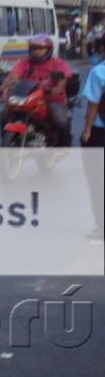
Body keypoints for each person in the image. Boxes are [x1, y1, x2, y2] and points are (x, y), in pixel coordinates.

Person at [0, 34, 72, 145]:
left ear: (48, 50)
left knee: (60, 120)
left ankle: (65, 144)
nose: (35, 51)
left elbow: (63, 79)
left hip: (50, 100)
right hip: (27, 99)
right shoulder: (24, 63)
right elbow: (13, 76)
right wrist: (3, 88)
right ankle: (7, 140)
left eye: (40, 48)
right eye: (33, 48)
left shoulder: (58, 64)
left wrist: (56, 88)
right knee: (4, 114)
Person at [79, 62, 105, 242]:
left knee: (97, 181)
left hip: (99, 132)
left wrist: (86, 131)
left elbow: (93, 104)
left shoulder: (99, 71)